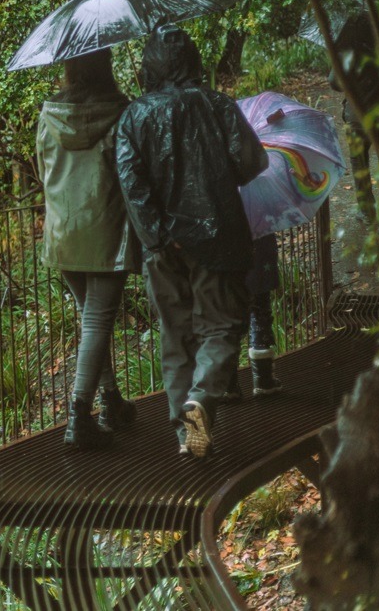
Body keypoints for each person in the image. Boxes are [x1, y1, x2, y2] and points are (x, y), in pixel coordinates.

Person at [116, 25, 267, 458]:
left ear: (149, 66)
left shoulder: (133, 117)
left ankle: (185, 434)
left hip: (162, 247)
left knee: (176, 334)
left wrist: (159, 236)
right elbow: (252, 162)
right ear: (194, 60)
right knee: (221, 326)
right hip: (218, 237)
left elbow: (131, 183)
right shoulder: (217, 105)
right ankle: (200, 399)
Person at [36, 48, 142, 450]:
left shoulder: (49, 115)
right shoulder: (122, 113)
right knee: (97, 321)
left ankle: (111, 401)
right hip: (106, 231)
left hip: (63, 233)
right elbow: (130, 173)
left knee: (91, 320)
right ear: (106, 66)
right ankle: (79, 418)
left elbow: (43, 171)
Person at [223, 233, 284, 401]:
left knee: (227, 317)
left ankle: (227, 385)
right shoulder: (260, 215)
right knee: (260, 313)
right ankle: (264, 380)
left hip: (226, 258)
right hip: (260, 257)